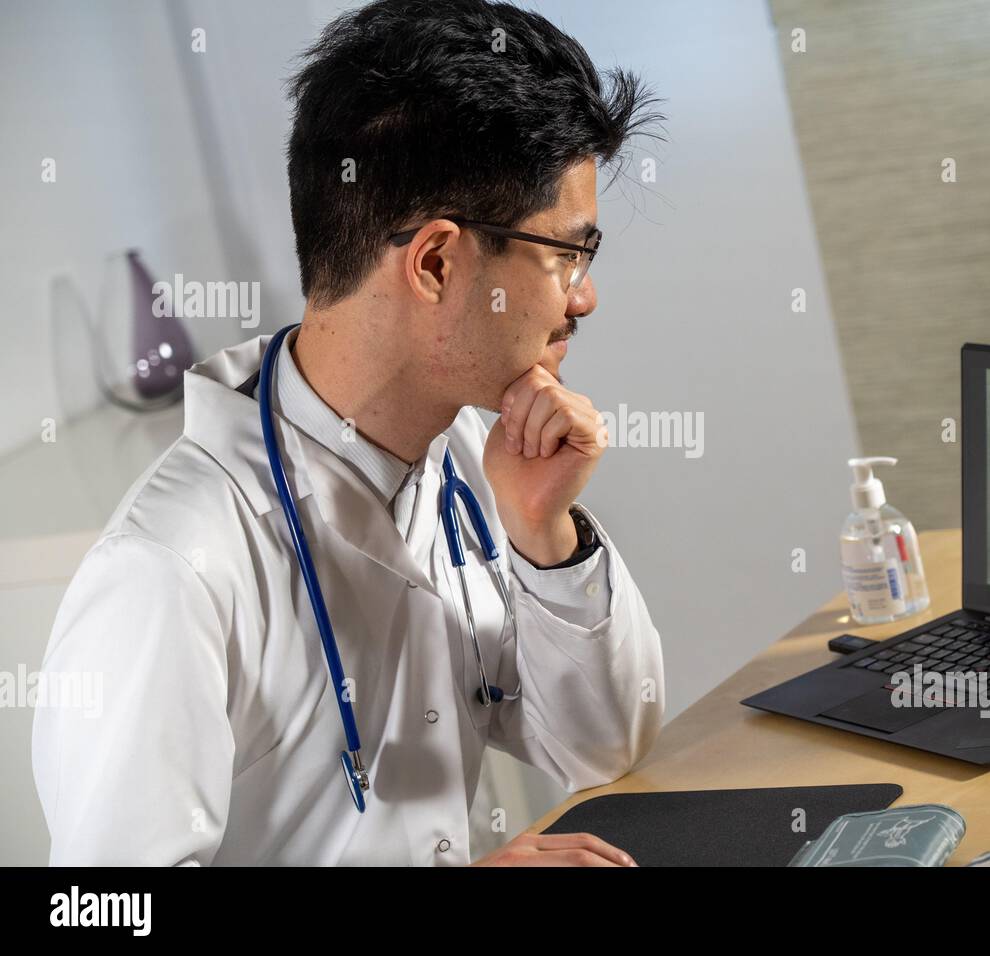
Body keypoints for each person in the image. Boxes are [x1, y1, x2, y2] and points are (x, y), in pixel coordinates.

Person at [32, 0, 666, 866]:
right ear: (438, 262)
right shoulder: (172, 568)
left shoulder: (475, 469)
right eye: (567, 254)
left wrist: (545, 537)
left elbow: (603, 750)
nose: (582, 298)